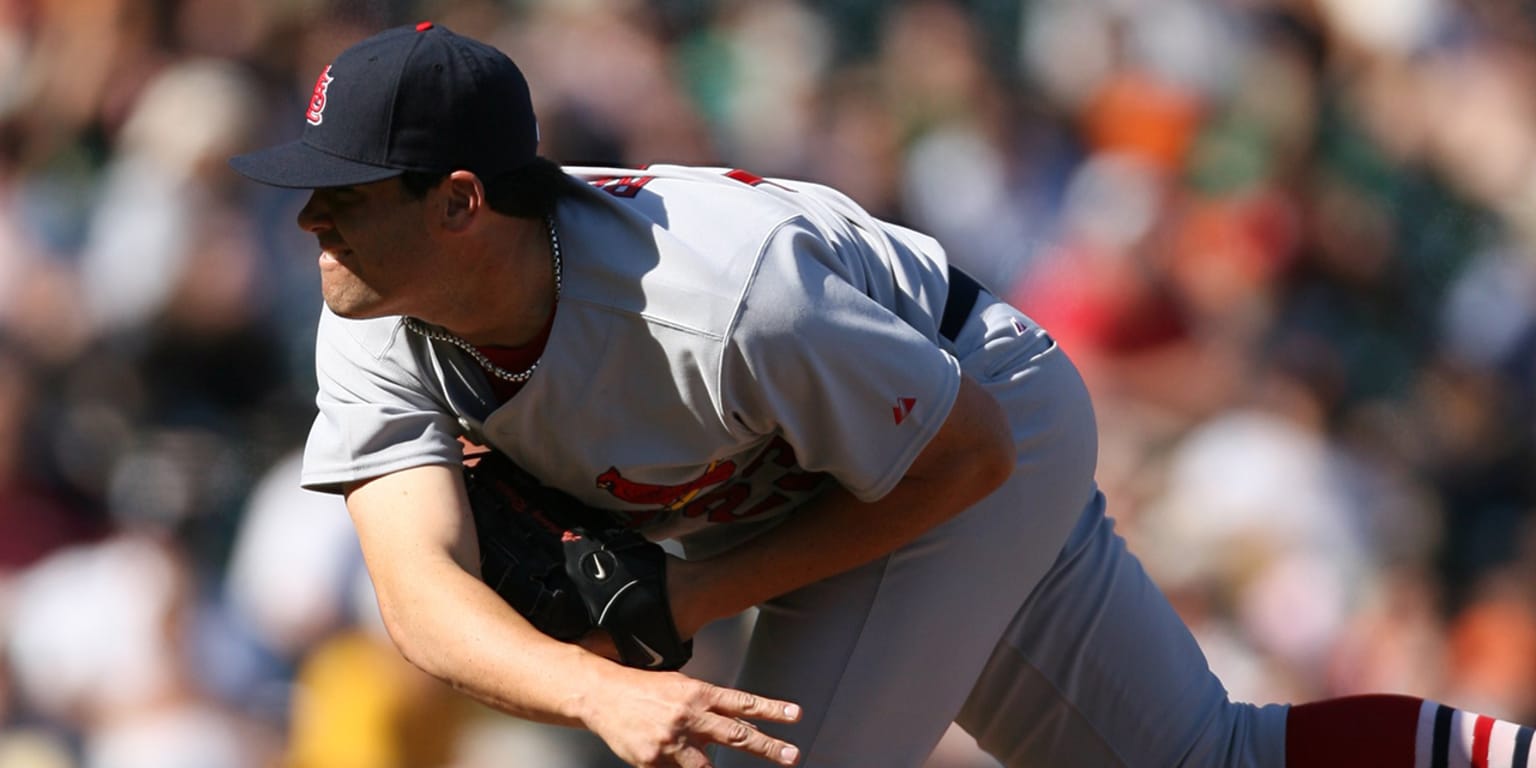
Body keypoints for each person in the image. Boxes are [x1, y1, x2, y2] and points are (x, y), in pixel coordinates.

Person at [230, 22, 1535, 768]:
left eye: (345, 197)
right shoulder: (384, 314)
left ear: (462, 203)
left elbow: (959, 462)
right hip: (832, 469)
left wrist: (681, 602)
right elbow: (419, 596)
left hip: (975, 427)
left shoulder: (718, 294)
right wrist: (596, 688)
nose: (314, 225)